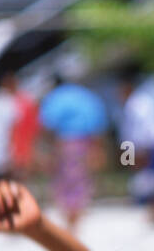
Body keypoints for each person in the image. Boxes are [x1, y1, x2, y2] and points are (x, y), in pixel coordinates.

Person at [39, 74, 109, 231]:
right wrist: (98, 148)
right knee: (81, 181)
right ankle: (76, 219)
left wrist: (47, 150)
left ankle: (70, 220)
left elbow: (47, 125)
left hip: (64, 142)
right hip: (86, 142)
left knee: (65, 182)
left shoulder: (55, 97)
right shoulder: (85, 95)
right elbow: (98, 122)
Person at [118, 66, 154, 227]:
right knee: (150, 179)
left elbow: (145, 129)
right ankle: (152, 211)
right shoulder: (138, 102)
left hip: (148, 146)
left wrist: (141, 151)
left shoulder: (137, 104)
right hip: (146, 145)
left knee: (151, 180)